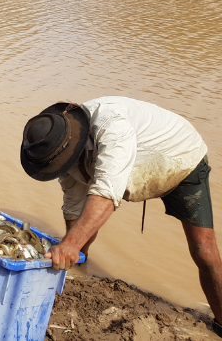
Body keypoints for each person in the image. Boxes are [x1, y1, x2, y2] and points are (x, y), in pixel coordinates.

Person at [20, 96, 222, 333]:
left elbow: (106, 195)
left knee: (204, 249)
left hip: (181, 159)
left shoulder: (112, 125)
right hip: (137, 164)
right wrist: (75, 255)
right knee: (77, 235)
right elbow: (75, 208)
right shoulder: (63, 157)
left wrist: (70, 246)